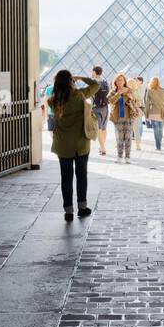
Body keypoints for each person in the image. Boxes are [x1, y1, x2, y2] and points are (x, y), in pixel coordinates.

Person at [48, 69, 98, 221]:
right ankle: (82, 207)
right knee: (81, 175)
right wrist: (80, 77)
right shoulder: (79, 95)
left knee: (66, 177)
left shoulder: (53, 100)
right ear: (71, 81)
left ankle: (68, 210)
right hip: (81, 142)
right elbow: (95, 85)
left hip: (63, 144)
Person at [108, 72, 141, 163]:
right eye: (118, 80)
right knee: (119, 138)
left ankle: (127, 157)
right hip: (117, 118)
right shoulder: (113, 91)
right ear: (115, 82)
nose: (119, 81)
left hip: (128, 117)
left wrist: (131, 97)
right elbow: (110, 101)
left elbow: (135, 100)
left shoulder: (129, 90)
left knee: (128, 138)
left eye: (121, 80)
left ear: (124, 81)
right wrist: (118, 93)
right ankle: (119, 157)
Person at [143, 76, 164, 151]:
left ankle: (158, 146)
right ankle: (159, 145)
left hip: (153, 112)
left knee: (156, 130)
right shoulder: (163, 90)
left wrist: (146, 115)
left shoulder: (149, 91)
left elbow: (147, 104)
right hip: (163, 112)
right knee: (161, 130)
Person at [90, 65, 109, 157]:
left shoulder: (93, 83)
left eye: (92, 71)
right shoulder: (105, 82)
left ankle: (103, 148)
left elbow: (90, 96)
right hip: (105, 108)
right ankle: (102, 147)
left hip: (96, 107)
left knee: (98, 129)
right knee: (104, 128)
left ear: (94, 72)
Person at [131, 76, 147, 150]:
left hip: (137, 109)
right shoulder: (134, 89)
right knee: (134, 127)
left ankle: (137, 144)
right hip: (134, 108)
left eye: (137, 80)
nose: (135, 81)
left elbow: (140, 97)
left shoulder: (140, 88)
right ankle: (136, 144)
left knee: (136, 126)